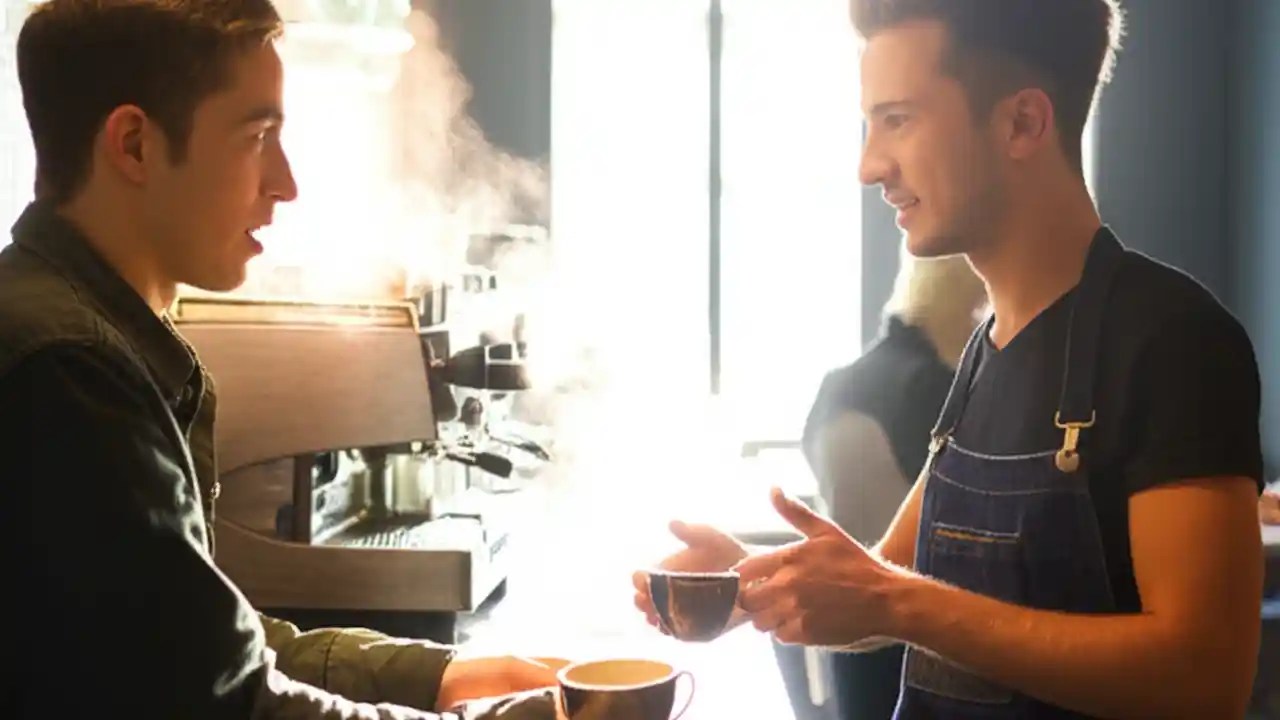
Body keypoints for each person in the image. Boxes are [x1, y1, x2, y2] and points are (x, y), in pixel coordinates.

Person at [636, 1, 1267, 718]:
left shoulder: (1172, 340)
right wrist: (749, 582)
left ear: (1022, 123)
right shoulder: (984, 349)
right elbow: (889, 582)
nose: (870, 165)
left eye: (898, 120)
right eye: (869, 125)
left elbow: (1202, 680)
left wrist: (896, 603)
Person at [0, 0, 560, 717]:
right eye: (257, 135)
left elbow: (197, 646)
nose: (285, 182)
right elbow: (230, 703)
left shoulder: (82, 333)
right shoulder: (70, 373)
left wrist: (439, 680)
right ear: (134, 144)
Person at [787, 250, 985, 720]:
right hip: (928, 650)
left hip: (845, 647)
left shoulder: (838, 384)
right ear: (969, 300)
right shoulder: (942, 391)